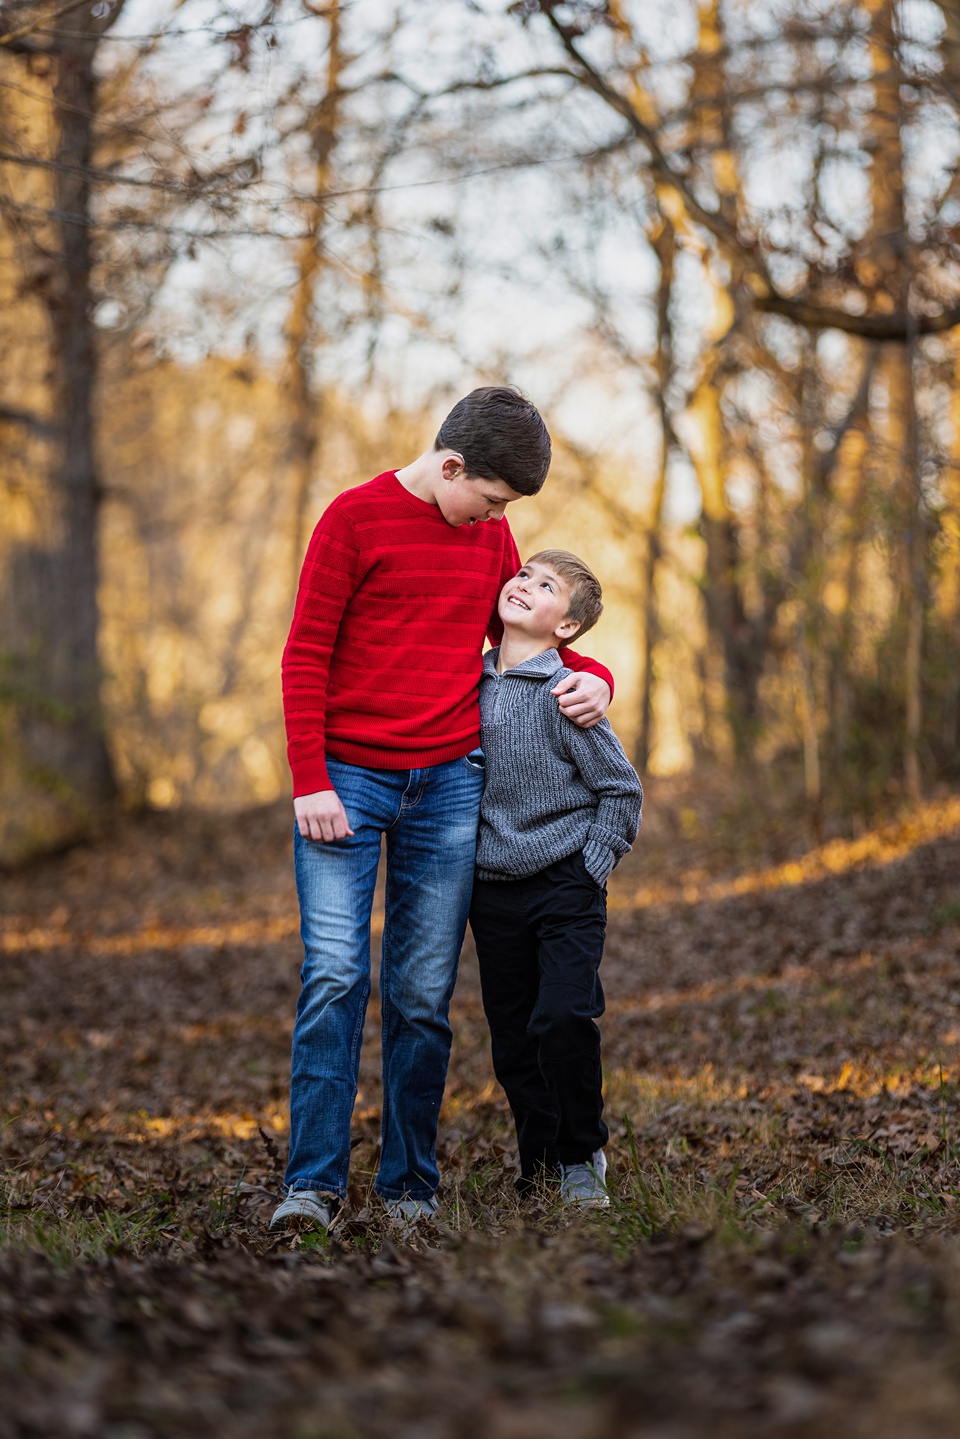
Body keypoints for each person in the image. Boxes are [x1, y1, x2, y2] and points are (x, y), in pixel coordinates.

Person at [270, 388, 615, 1232]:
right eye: (491, 500)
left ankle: (408, 1188)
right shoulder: (353, 520)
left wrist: (599, 679)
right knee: (335, 977)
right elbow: (305, 651)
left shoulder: (490, 534)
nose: (498, 520)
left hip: (451, 781)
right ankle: (312, 1185)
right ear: (452, 467)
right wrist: (310, 779)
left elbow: (528, 639)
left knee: (422, 994)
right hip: (347, 779)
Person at [469, 550, 642, 1206]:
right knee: (514, 1040)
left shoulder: (567, 693)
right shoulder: (468, 684)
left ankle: (580, 1154)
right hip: (492, 891)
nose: (523, 584)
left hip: (565, 884)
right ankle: (540, 1162)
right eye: (524, 574)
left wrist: (590, 867)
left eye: (546, 586)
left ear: (565, 627)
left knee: (564, 1016)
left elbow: (621, 789)